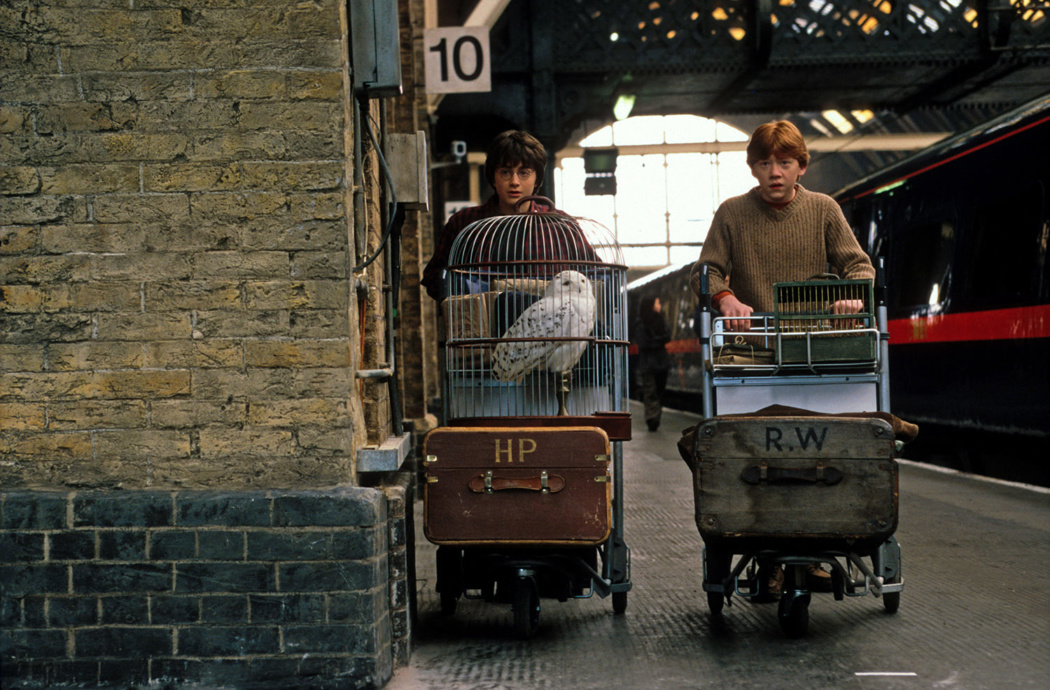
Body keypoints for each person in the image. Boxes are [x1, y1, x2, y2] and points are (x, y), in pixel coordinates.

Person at [687, 120, 876, 597]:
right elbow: (706, 270)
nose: (775, 172)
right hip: (753, 356)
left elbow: (858, 266)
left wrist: (851, 296)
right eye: (765, 162)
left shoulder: (824, 210)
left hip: (817, 353)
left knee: (814, 452)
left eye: (785, 163)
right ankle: (772, 553)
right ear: (752, 167)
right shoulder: (731, 213)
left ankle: (806, 549)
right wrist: (725, 296)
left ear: (801, 167)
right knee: (758, 454)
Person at [422, 130, 550, 301]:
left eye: (524, 172)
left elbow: (594, 276)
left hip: (546, 324)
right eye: (505, 172)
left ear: (537, 178)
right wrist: (464, 291)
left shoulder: (559, 225)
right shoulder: (464, 223)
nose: (514, 182)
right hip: (481, 323)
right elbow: (434, 278)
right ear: (493, 176)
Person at [633, 296, 671, 432]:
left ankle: (655, 417)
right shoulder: (640, 324)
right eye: (657, 303)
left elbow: (668, 336)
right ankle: (652, 419)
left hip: (661, 363)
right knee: (651, 392)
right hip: (648, 364)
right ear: (651, 305)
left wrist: (655, 340)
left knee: (659, 392)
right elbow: (644, 343)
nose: (659, 305)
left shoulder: (661, 319)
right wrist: (658, 341)